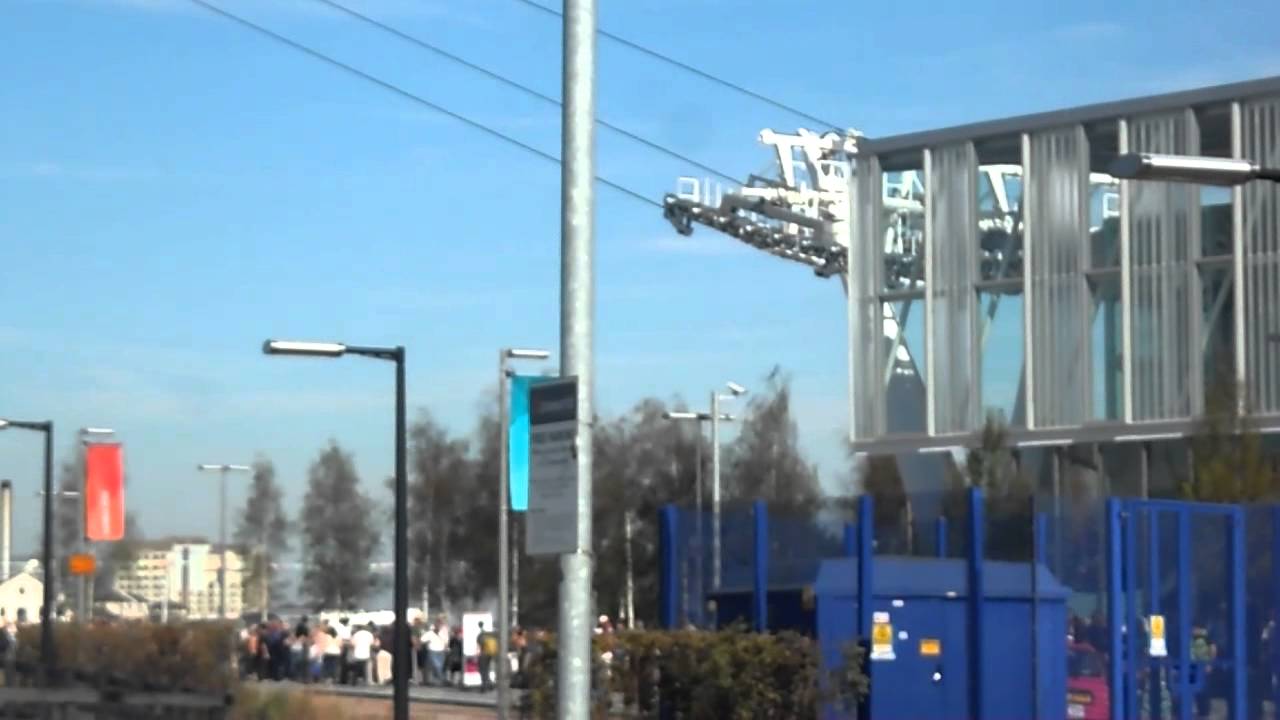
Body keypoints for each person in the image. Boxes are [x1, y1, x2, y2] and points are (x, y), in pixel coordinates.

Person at [422, 620, 448, 686]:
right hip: (432, 651)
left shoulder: (443, 633)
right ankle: (442, 680)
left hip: (441, 651)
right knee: (437, 666)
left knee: (439, 666)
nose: (438, 626)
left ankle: (437, 681)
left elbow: (446, 641)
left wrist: (445, 647)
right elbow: (422, 639)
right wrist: (427, 643)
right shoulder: (430, 633)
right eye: (437, 625)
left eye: (439, 625)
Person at [477, 621, 498, 692]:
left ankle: (484, 686)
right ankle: (489, 684)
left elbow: (479, 644)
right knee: (487, 670)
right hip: (491, 654)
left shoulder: (481, 635)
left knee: (483, 670)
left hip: (484, 654)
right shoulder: (491, 634)